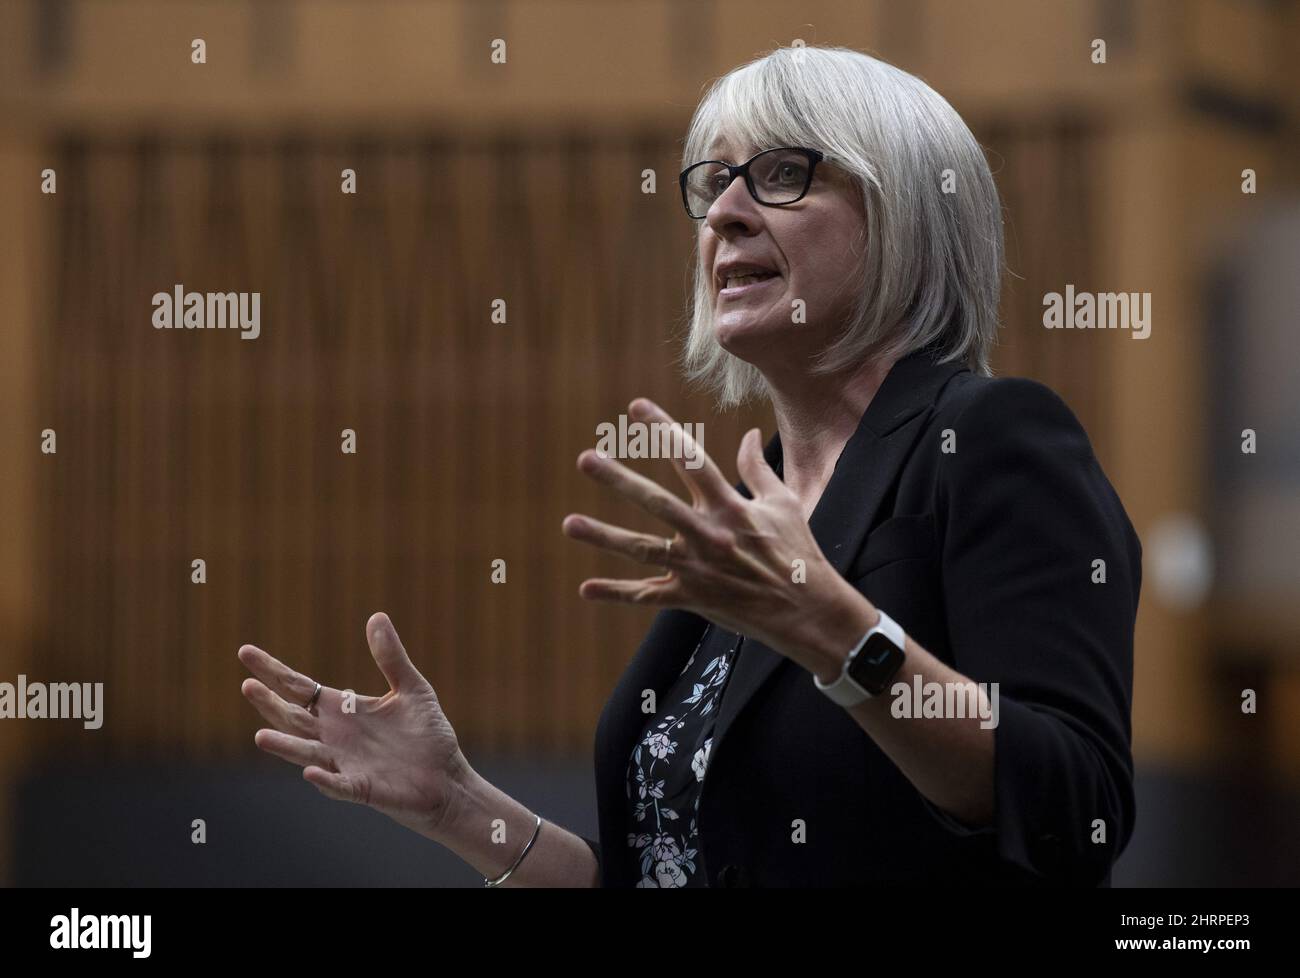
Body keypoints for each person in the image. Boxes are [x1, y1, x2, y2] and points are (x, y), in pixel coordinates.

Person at [238, 44, 1140, 887]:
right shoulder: (753, 510)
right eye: (712, 184)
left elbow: (1075, 810)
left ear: (909, 215)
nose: (725, 213)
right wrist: (460, 806)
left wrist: (834, 632)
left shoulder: (987, 437)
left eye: (783, 175)